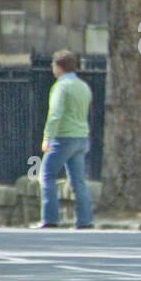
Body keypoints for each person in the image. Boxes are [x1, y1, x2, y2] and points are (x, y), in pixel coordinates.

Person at [33, 49, 94, 229]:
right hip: (81, 137)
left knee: (46, 175)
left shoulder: (61, 86)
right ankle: (85, 220)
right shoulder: (83, 86)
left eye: (53, 65)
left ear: (59, 66)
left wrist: (47, 138)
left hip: (63, 137)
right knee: (78, 181)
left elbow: (55, 114)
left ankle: (50, 218)